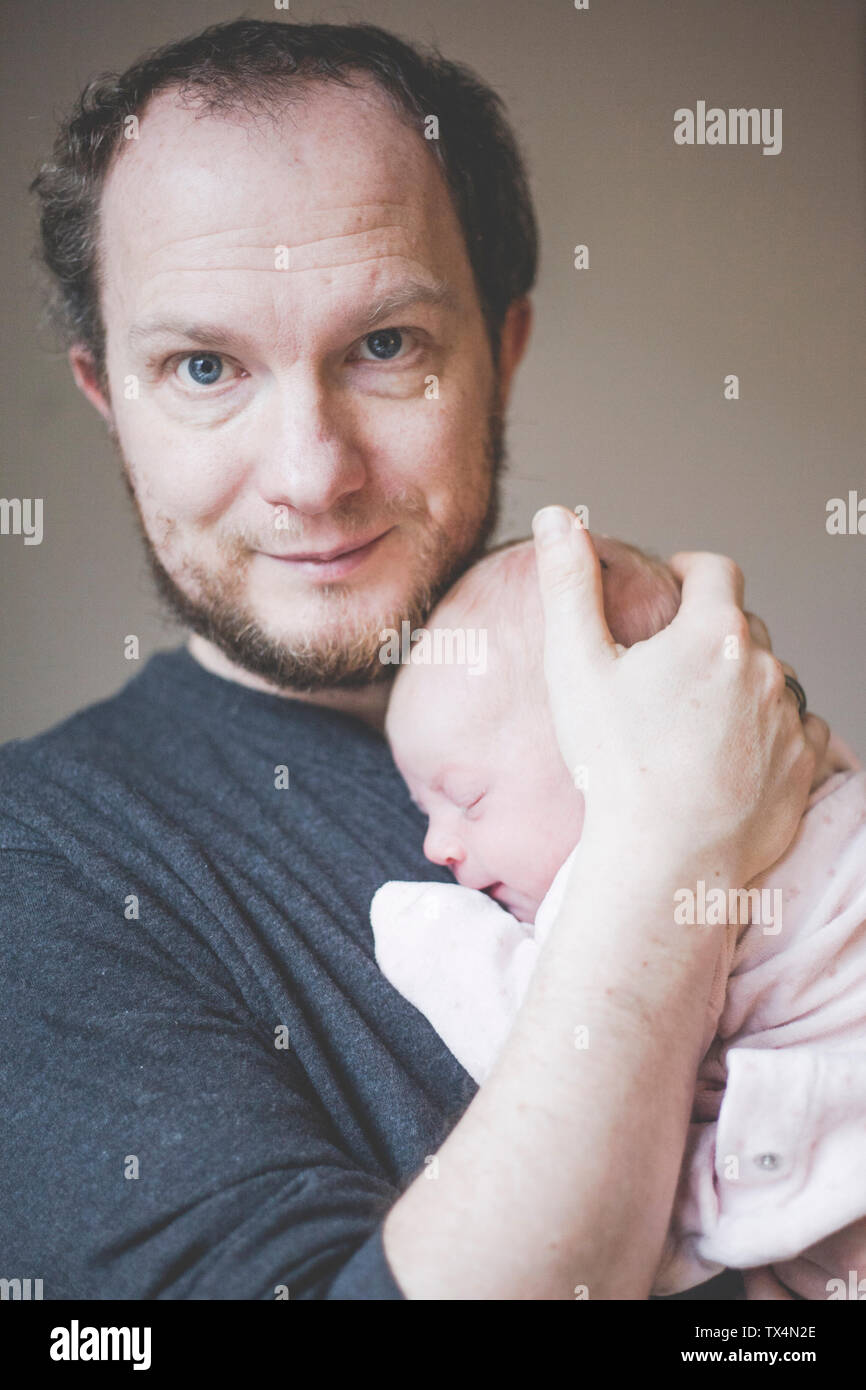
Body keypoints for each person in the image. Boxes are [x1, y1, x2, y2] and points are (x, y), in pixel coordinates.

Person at [0, 18, 825, 1299]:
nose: (309, 476)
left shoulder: (710, 698)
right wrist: (669, 856)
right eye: (204, 366)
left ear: (499, 351)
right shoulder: (41, 863)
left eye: (384, 346)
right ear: (108, 394)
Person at [371, 532, 866, 1296]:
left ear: (611, 734)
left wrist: (422, 933)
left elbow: (528, 1025)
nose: (437, 846)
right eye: (423, 811)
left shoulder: (605, 865)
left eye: (466, 798)